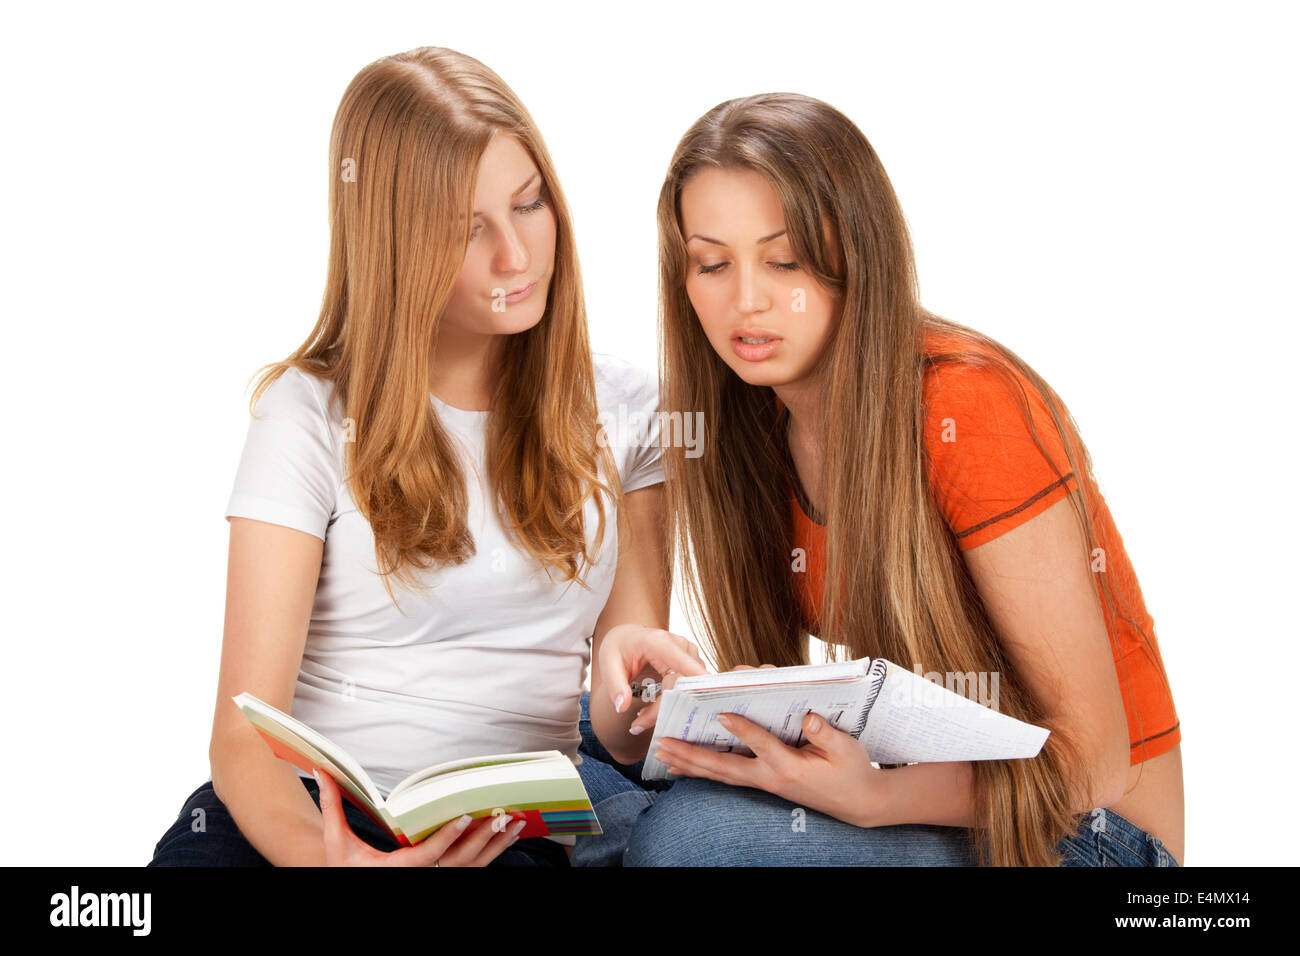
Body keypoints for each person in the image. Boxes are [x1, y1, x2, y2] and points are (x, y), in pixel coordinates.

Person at [588, 92, 1183, 867]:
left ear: (856, 253)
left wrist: (875, 797)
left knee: (688, 837)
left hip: (1090, 835)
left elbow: (1093, 759)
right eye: (712, 263)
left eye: (786, 258)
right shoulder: (743, 428)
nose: (748, 299)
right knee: (592, 763)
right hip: (914, 798)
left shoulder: (967, 404)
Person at [148, 46, 704, 868]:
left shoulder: (627, 411)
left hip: (499, 826)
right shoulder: (304, 413)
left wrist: (646, 684)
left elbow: (622, 729)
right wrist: (330, 860)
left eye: (529, 204)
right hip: (309, 808)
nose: (515, 256)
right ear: (393, 244)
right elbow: (240, 734)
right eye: (463, 229)